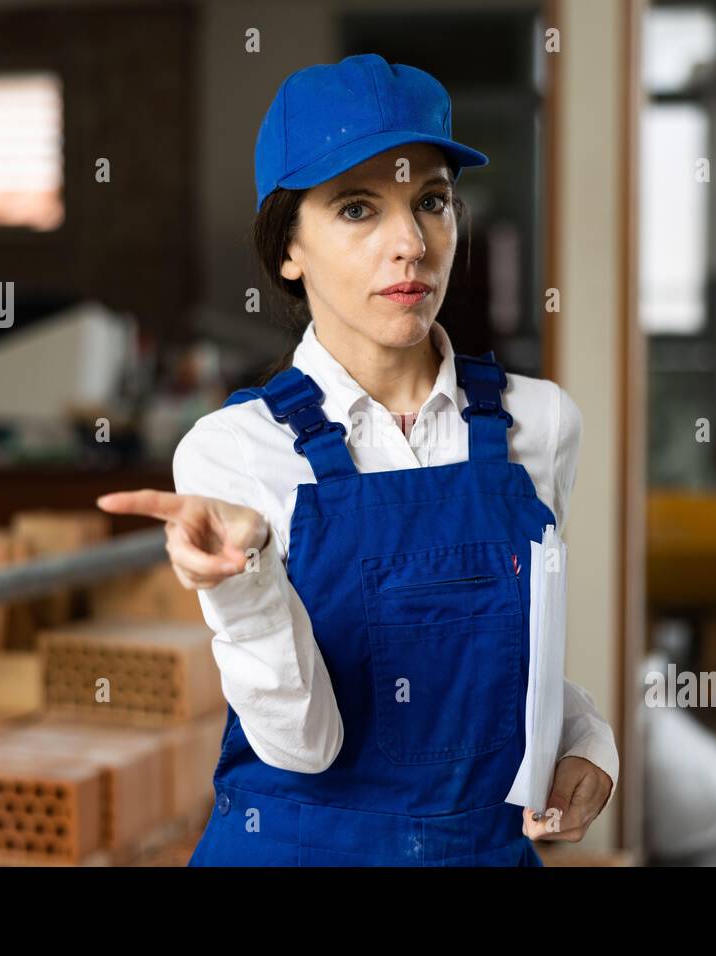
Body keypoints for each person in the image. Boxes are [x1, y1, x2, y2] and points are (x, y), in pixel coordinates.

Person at [97, 53, 618, 867]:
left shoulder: (542, 425)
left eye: (432, 202)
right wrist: (246, 580)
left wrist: (587, 738)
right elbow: (303, 745)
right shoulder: (237, 453)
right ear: (287, 250)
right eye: (357, 209)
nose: (410, 244)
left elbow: (512, 662)